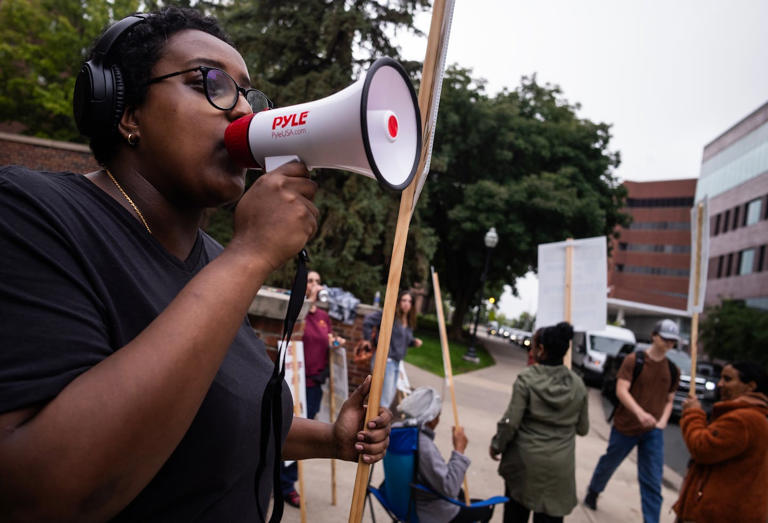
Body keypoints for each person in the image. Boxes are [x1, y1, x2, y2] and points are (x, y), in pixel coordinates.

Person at [0, 8, 391, 522]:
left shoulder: (213, 260)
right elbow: (42, 494)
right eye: (210, 82)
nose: (242, 111)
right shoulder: (32, 212)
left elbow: (214, 414)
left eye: (247, 95)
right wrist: (251, 255)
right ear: (127, 113)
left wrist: (330, 440)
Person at [490, 322, 589, 523]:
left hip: (524, 466)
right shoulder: (578, 385)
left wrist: (497, 444)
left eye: (533, 347)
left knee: (515, 516)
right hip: (559, 470)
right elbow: (583, 428)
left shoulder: (527, 379)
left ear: (541, 349)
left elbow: (510, 422)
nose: (531, 351)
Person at [584, 319, 681, 523]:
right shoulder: (634, 360)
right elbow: (622, 390)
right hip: (626, 426)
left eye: (673, 341)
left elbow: (669, 400)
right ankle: (594, 490)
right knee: (610, 462)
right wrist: (639, 413)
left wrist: (662, 422)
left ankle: (651, 519)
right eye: (665, 339)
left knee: (652, 478)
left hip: (653, 431)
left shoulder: (673, 370)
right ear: (654, 336)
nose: (668, 343)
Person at [673, 361, 768, 523]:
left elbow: (701, 447)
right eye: (721, 378)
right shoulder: (752, 416)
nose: (720, 384)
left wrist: (692, 414)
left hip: (717, 514)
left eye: (728, 379)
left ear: (750, 386)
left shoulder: (743, 420)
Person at [281, 269, 345, 508]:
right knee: (285, 431)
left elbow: (326, 340)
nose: (315, 284)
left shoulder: (323, 316)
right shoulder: (296, 310)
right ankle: (277, 480)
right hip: (294, 381)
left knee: (302, 435)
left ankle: (287, 483)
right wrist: (307, 300)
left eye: (318, 281)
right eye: (310, 281)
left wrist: (336, 343)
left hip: (314, 385)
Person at [398, 387, 493, 523]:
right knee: (486, 507)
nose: (438, 420)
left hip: (402, 501)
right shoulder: (422, 444)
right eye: (438, 416)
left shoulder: (398, 432)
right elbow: (449, 488)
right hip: (428, 511)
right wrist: (459, 450)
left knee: (461, 493)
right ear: (431, 419)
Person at [362, 290, 422, 408]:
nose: (406, 303)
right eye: (404, 300)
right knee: (383, 401)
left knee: (387, 399)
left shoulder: (408, 321)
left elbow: (402, 341)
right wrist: (367, 339)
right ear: (399, 302)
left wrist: (413, 342)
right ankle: (373, 419)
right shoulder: (390, 314)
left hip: (396, 363)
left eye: (409, 301)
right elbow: (368, 321)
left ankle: (373, 418)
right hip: (386, 360)